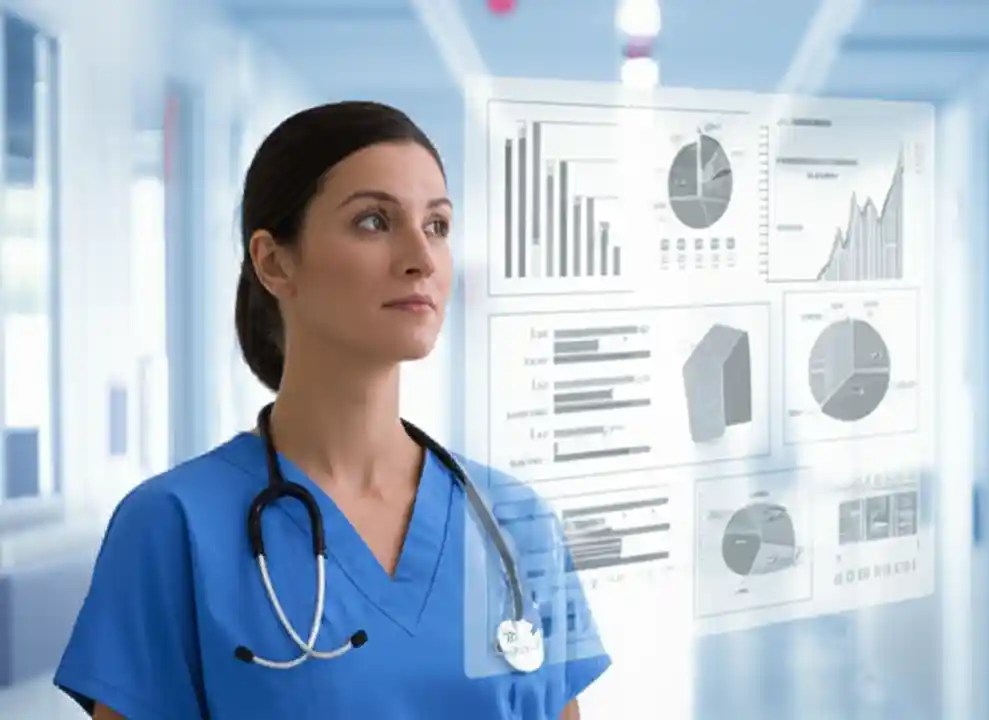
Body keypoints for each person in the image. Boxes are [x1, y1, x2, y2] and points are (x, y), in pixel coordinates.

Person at [53, 100, 611, 719]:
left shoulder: (515, 525)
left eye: (438, 226)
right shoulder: (174, 526)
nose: (421, 259)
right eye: (374, 221)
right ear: (273, 261)